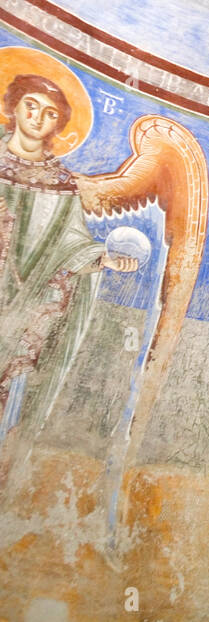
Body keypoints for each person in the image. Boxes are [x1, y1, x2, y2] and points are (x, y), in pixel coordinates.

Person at [0, 74, 137, 437]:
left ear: (57, 125)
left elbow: (72, 239)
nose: (37, 117)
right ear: (13, 106)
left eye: (48, 113)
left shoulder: (61, 183)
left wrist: (101, 258)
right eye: (31, 105)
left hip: (22, 298)